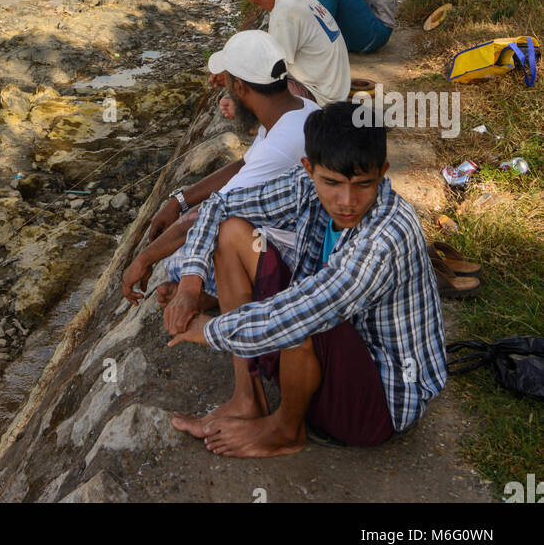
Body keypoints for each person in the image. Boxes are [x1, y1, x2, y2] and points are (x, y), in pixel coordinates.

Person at [165, 101, 446, 455]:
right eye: (332, 183)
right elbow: (218, 205)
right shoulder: (306, 186)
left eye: (363, 184)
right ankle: (247, 400)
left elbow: (308, 310)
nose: (347, 201)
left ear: (382, 172)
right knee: (232, 232)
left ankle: (285, 432)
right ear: (309, 168)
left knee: (302, 317)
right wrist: (190, 283)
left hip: (378, 404)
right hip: (327, 355)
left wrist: (210, 330)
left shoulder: (386, 235)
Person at [121, 32, 317, 308]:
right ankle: (218, 295)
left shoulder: (281, 144)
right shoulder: (297, 108)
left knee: (178, 259)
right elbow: (244, 164)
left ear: (240, 87)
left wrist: (144, 259)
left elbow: (214, 211)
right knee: (193, 236)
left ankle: (225, 301)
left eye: (228, 84)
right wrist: (178, 201)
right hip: (296, 230)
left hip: (301, 259)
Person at [235, 0, 350, 106]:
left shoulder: (284, 13)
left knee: (255, 89)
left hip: (324, 97)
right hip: (335, 87)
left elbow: (273, 69)